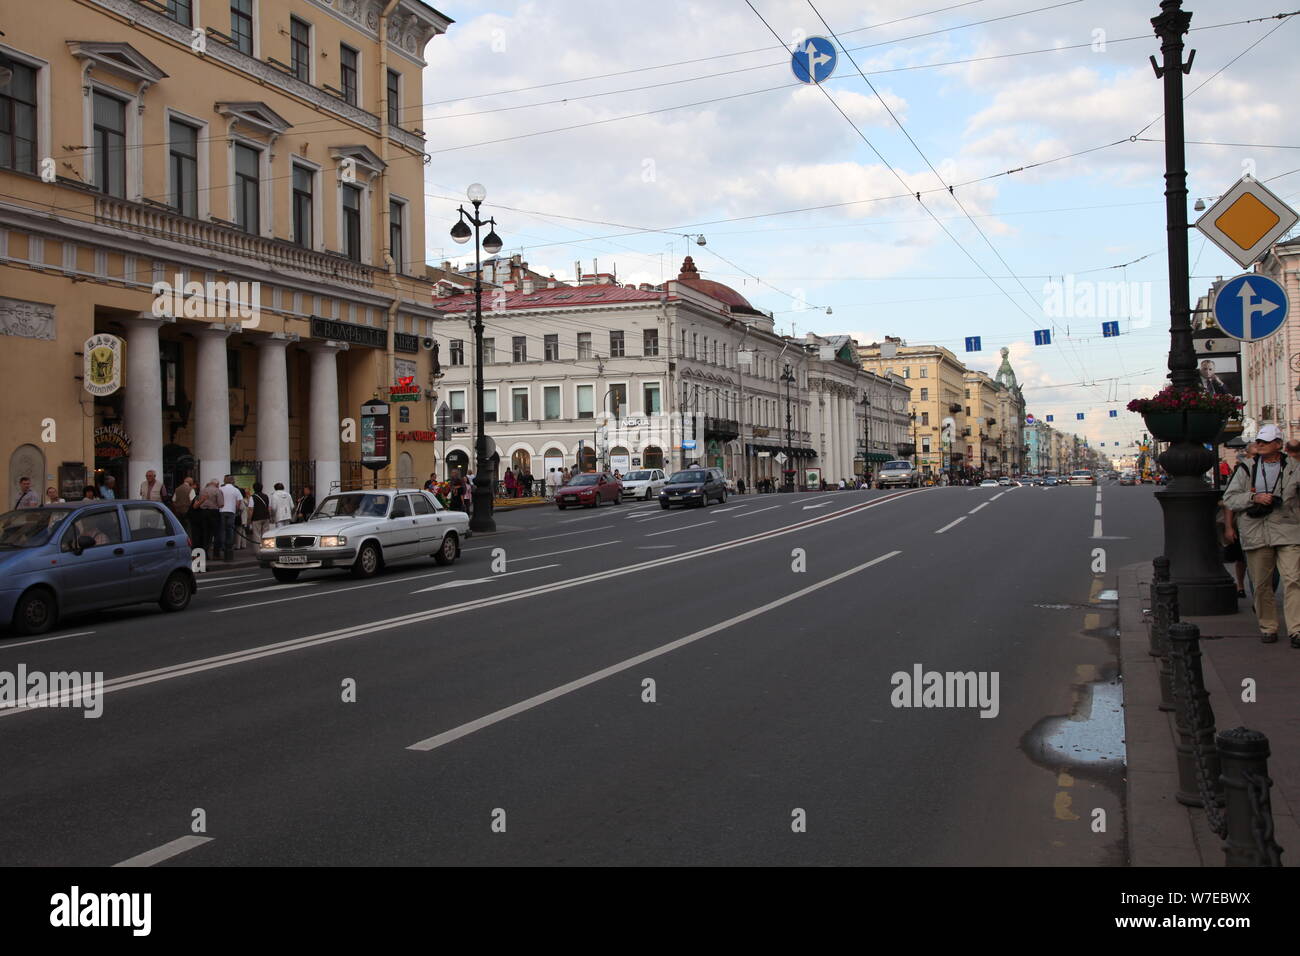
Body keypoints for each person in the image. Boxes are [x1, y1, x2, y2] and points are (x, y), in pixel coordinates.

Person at [1223, 424, 1300, 646]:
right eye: (1259, 441)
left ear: (1278, 444)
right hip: (1256, 530)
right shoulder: (1246, 468)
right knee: (1261, 583)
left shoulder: (1294, 467)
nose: (1260, 445)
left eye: (1266, 442)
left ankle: (1296, 630)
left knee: (1293, 579)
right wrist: (1253, 498)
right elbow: (1229, 499)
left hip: (1288, 528)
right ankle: (1268, 627)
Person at [218, 475, 242, 561]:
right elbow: (239, 502)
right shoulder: (236, 490)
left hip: (221, 511)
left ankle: (223, 546)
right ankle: (230, 545)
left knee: (222, 529)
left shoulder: (221, 489)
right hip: (231, 511)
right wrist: (237, 509)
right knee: (230, 529)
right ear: (232, 481)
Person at [249, 482, 270, 547]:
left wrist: (249, 519)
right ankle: (266, 548)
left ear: (253, 488)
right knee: (265, 534)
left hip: (256, 518)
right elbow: (269, 507)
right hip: (266, 517)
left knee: (256, 535)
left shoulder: (252, 497)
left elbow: (251, 509)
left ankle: (258, 550)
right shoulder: (266, 496)